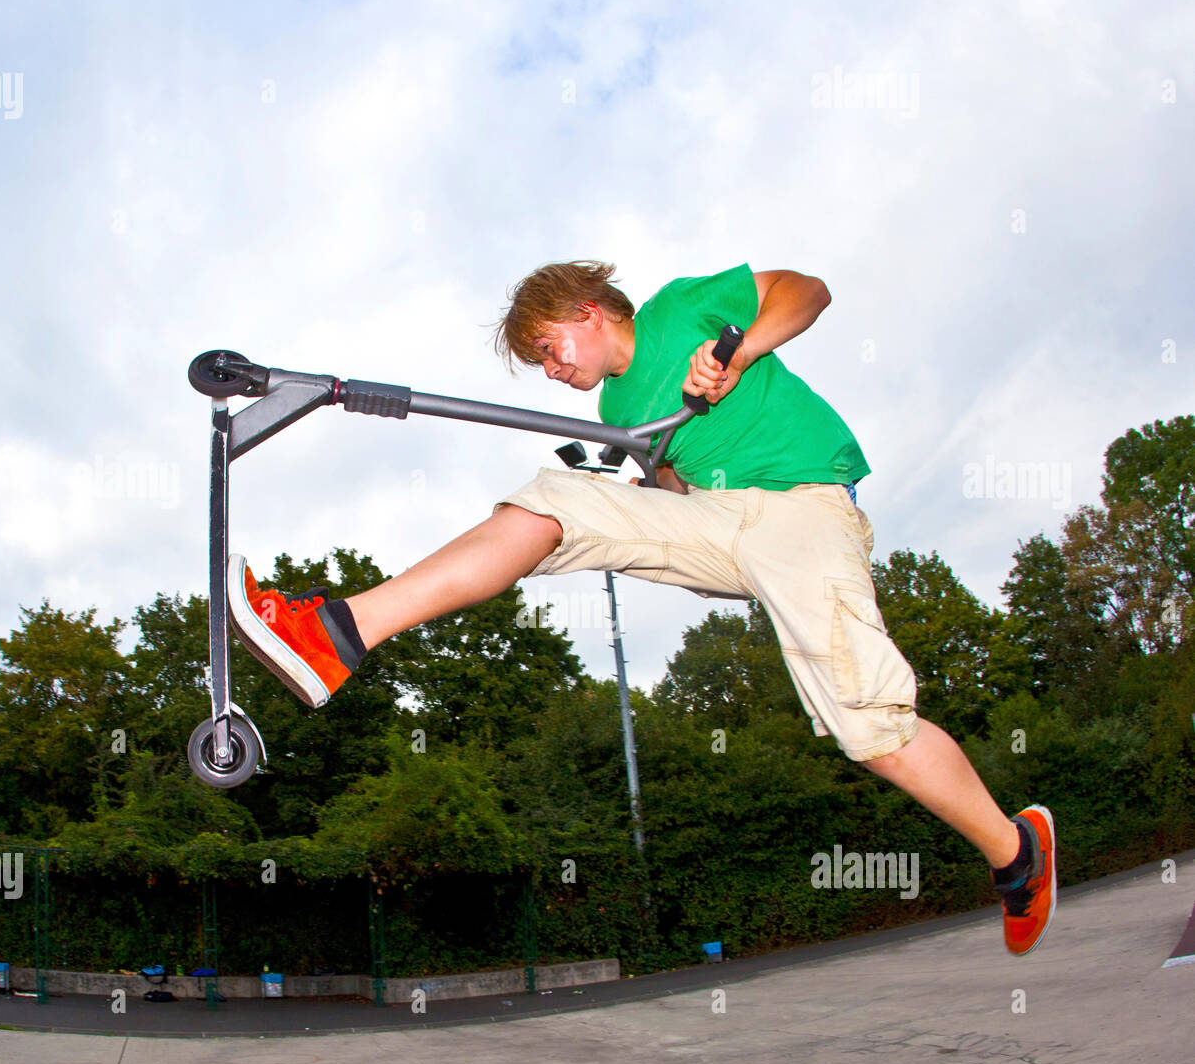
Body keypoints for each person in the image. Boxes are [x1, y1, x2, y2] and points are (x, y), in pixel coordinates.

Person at [227, 260, 1056, 956]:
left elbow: (809, 289)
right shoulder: (620, 414)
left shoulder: (681, 306)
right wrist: (651, 485)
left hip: (802, 509)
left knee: (871, 730)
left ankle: (1015, 853)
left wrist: (738, 351)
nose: (553, 371)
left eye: (550, 350)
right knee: (556, 499)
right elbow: (673, 482)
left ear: (588, 314)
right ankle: (337, 632)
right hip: (718, 526)